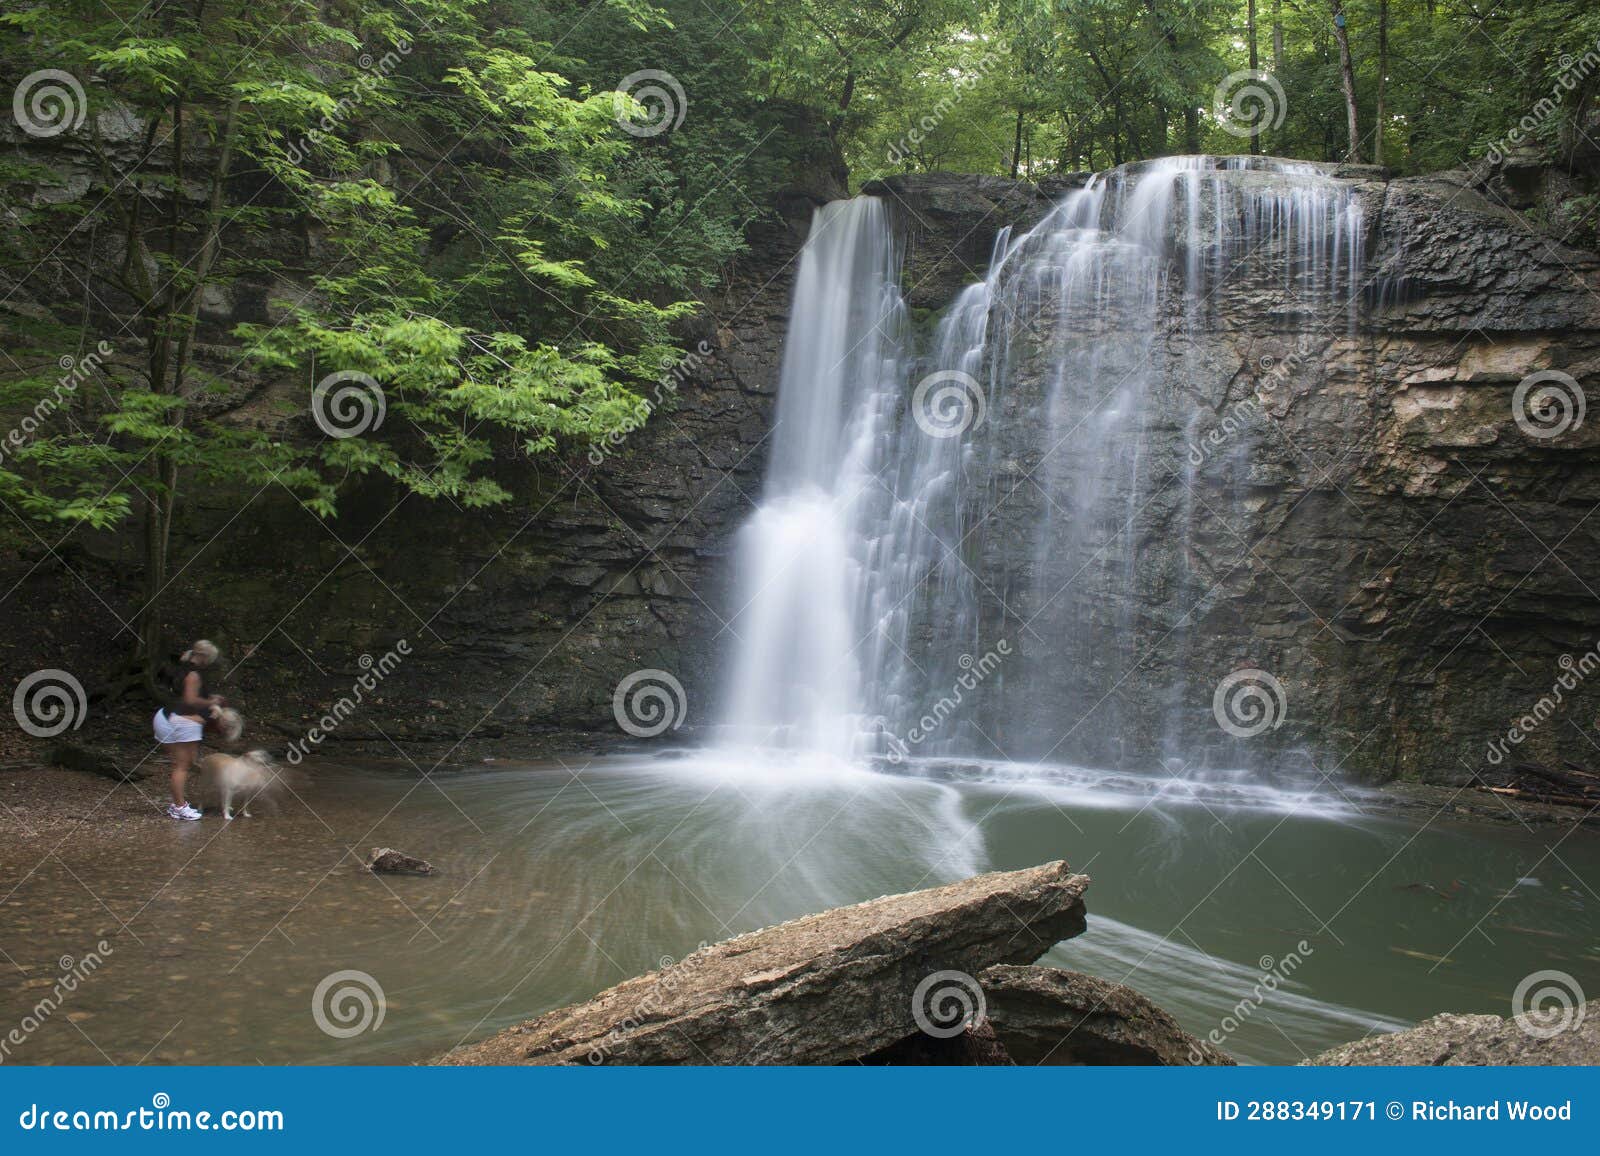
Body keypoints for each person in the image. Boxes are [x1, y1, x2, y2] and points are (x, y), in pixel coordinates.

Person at [152, 640, 226, 821]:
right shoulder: (194, 675)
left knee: (181, 764)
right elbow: (190, 700)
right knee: (183, 765)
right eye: (211, 659)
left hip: (164, 717)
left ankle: (178, 802)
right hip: (183, 720)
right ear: (204, 657)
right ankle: (179, 807)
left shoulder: (180, 667)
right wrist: (212, 702)